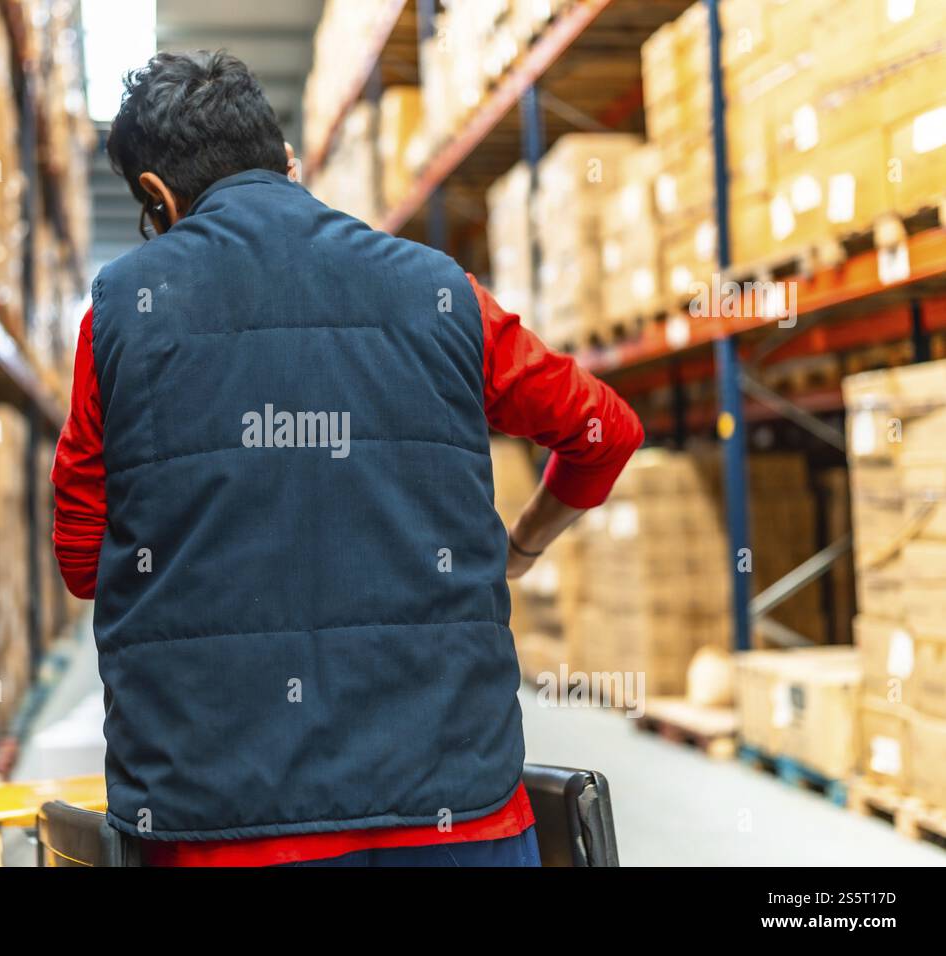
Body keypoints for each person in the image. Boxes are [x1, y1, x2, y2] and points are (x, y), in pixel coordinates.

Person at [52, 50, 643, 867]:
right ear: (288, 163)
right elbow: (603, 432)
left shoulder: (120, 312)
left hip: (222, 829)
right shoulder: (439, 290)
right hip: (459, 817)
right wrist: (521, 547)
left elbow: (84, 560)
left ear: (157, 196)